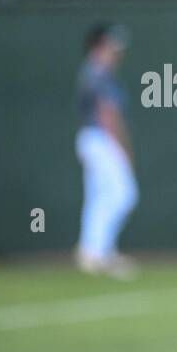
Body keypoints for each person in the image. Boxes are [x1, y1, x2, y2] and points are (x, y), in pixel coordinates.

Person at [74, 23, 138, 279]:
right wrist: (122, 148)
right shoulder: (97, 73)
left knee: (99, 197)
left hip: (94, 139)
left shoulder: (97, 72)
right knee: (123, 194)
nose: (116, 54)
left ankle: (95, 251)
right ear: (98, 47)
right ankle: (96, 252)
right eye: (111, 48)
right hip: (101, 140)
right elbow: (108, 114)